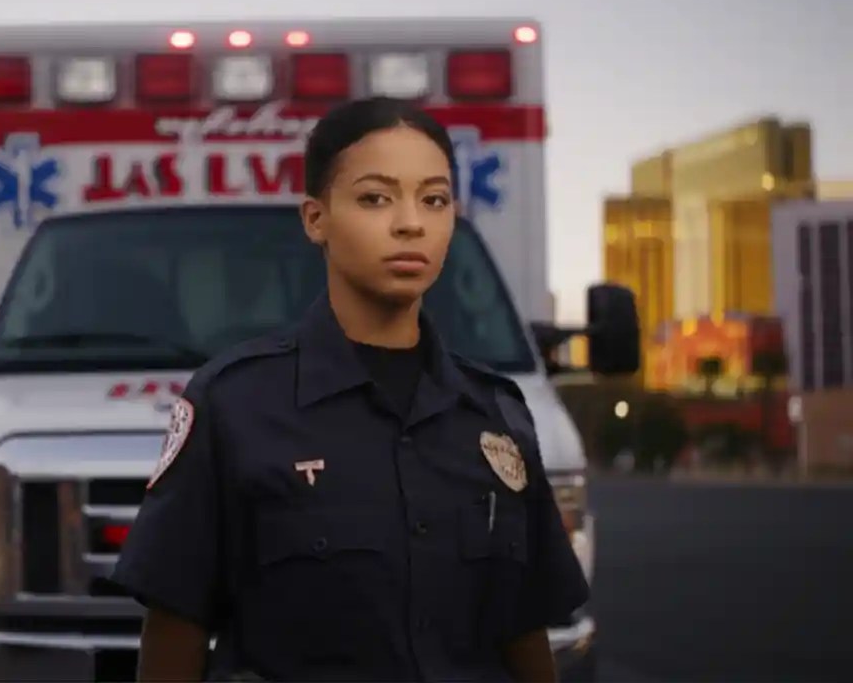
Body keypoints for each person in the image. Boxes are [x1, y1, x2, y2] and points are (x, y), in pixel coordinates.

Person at [110, 96, 589, 682]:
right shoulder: (234, 405)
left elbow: (523, 631)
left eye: (434, 199)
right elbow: (175, 633)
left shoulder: (497, 412)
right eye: (375, 198)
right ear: (316, 218)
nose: (411, 222)